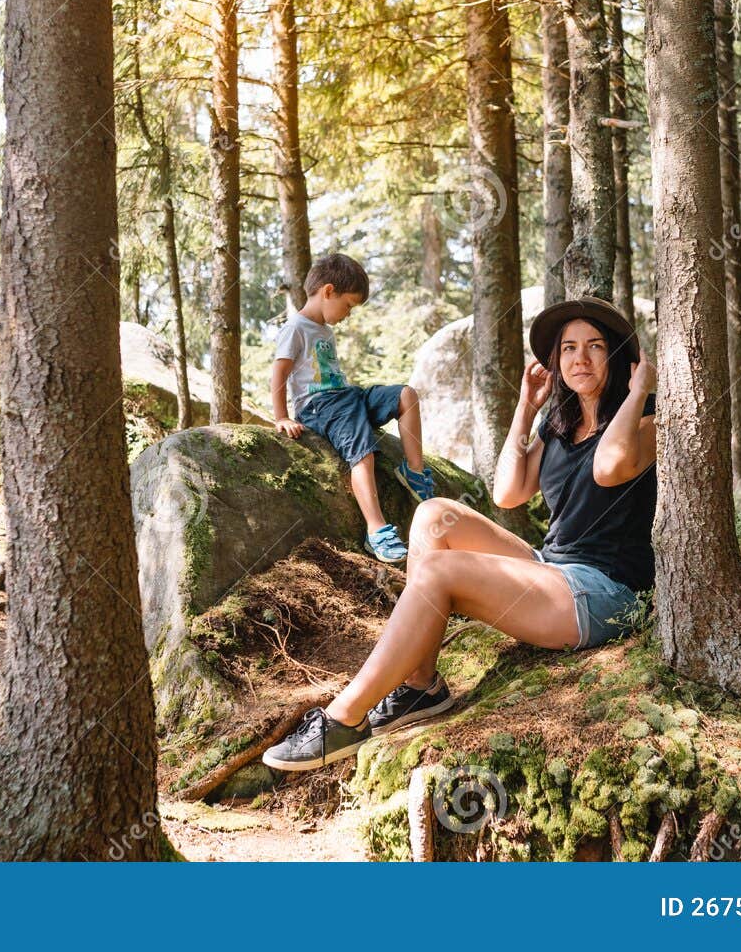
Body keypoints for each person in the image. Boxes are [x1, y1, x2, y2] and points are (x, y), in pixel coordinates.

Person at [263, 296, 656, 771]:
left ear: (618, 357)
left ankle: (343, 718)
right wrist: (525, 407)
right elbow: (508, 493)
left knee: (440, 571)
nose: (581, 358)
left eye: (595, 347)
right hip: (551, 568)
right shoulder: (560, 422)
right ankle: (420, 687)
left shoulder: (646, 418)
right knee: (433, 513)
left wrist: (637, 394)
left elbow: (611, 466)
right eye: (569, 348)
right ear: (555, 362)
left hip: (604, 591)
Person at [272, 253, 437, 564]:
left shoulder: (324, 330)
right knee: (363, 451)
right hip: (320, 407)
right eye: (348, 305)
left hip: (347, 398)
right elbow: (279, 373)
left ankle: (414, 472)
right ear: (328, 291)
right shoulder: (296, 327)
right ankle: (376, 531)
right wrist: (282, 417)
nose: (348, 314)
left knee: (406, 395)